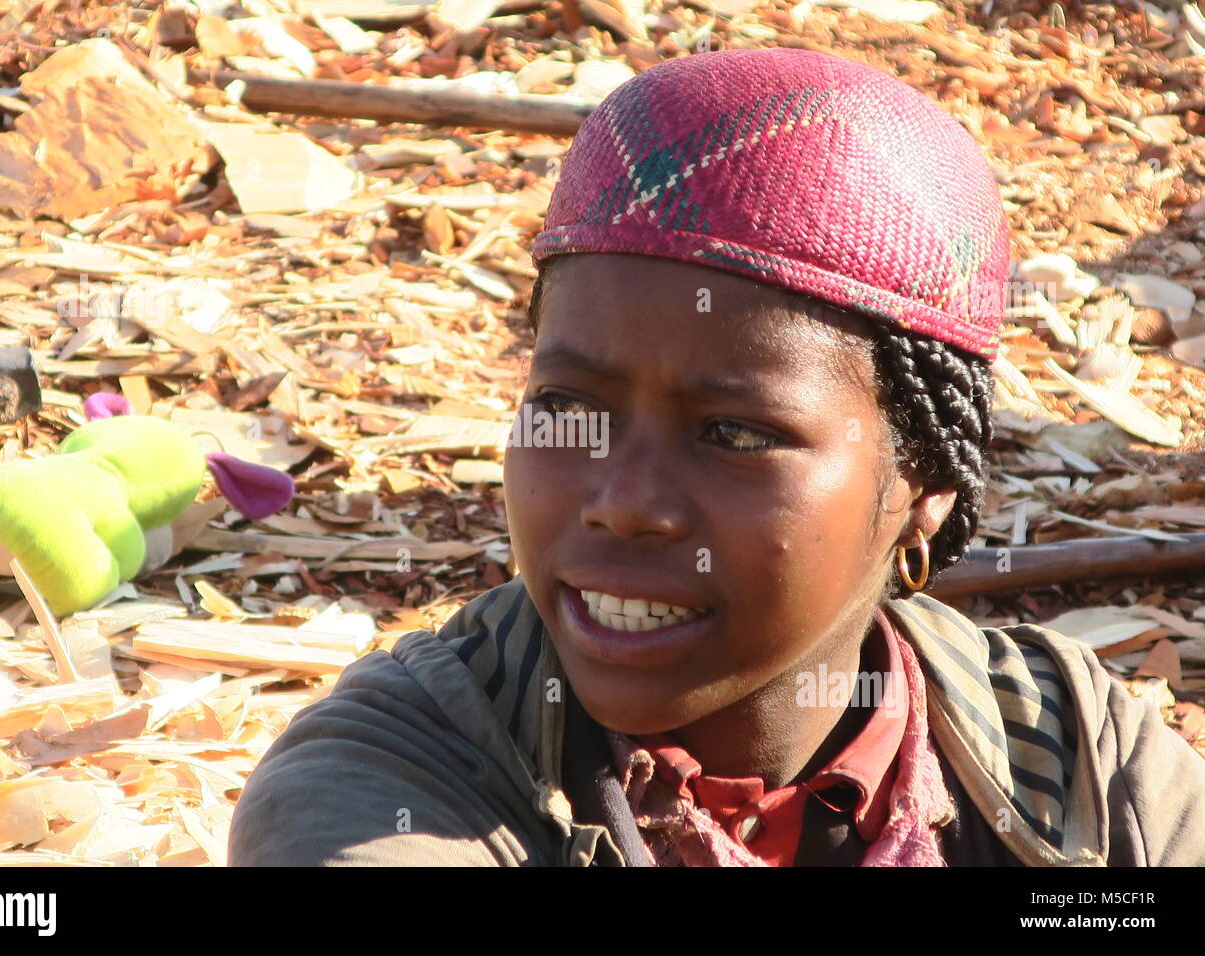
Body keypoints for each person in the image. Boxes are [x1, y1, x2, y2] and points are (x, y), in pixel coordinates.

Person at [228, 48, 1205, 867]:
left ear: (924, 483)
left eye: (733, 432)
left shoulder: (1076, 761)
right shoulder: (391, 785)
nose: (624, 502)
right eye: (568, 407)